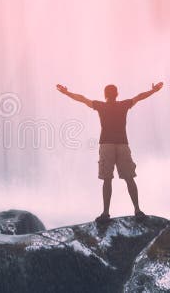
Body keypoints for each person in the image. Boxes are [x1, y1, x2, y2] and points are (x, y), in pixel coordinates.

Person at [56, 82, 164, 223]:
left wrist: (66, 92)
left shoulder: (101, 106)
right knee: (129, 178)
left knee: (107, 179)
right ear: (117, 94)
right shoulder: (124, 105)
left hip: (106, 144)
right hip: (122, 144)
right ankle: (137, 210)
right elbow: (139, 97)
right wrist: (153, 90)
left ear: (105, 95)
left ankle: (106, 213)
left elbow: (82, 99)